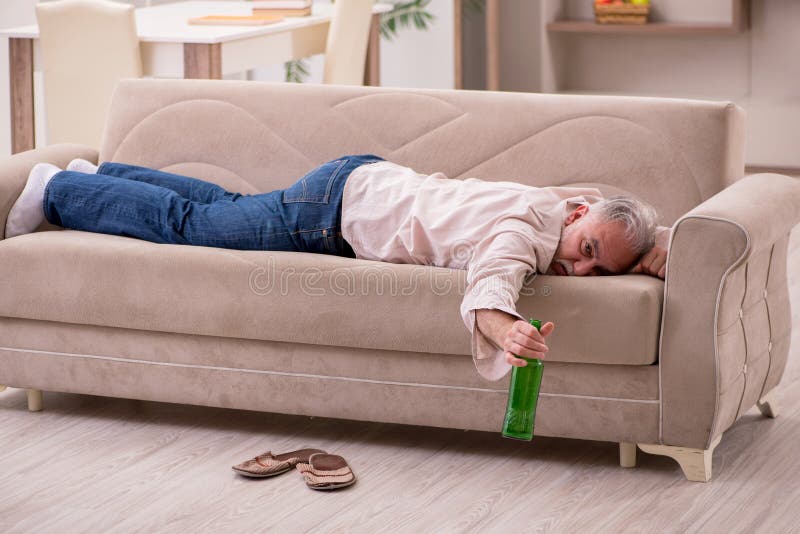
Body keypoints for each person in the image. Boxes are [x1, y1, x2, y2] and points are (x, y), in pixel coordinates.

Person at [4, 155, 669, 380]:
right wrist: (500, 326)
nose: (577, 268)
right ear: (578, 214)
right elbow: (496, 271)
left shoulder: (558, 204)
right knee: (195, 228)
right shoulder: (526, 229)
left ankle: (102, 176)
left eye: (599, 273)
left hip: (359, 184)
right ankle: (58, 190)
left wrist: (662, 246)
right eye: (586, 249)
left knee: (225, 208)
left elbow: (617, 229)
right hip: (332, 213)